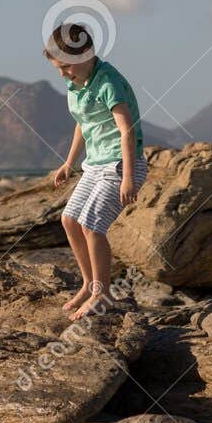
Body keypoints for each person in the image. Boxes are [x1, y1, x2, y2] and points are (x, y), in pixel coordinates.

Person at [46, 22, 147, 319]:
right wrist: (69, 162)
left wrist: (128, 177)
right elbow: (83, 121)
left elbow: (126, 131)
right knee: (69, 220)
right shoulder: (76, 82)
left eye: (66, 66)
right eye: (58, 68)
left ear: (86, 55)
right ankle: (90, 283)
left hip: (120, 165)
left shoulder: (108, 82)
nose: (63, 73)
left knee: (92, 225)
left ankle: (102, 295)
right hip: (95, 165)